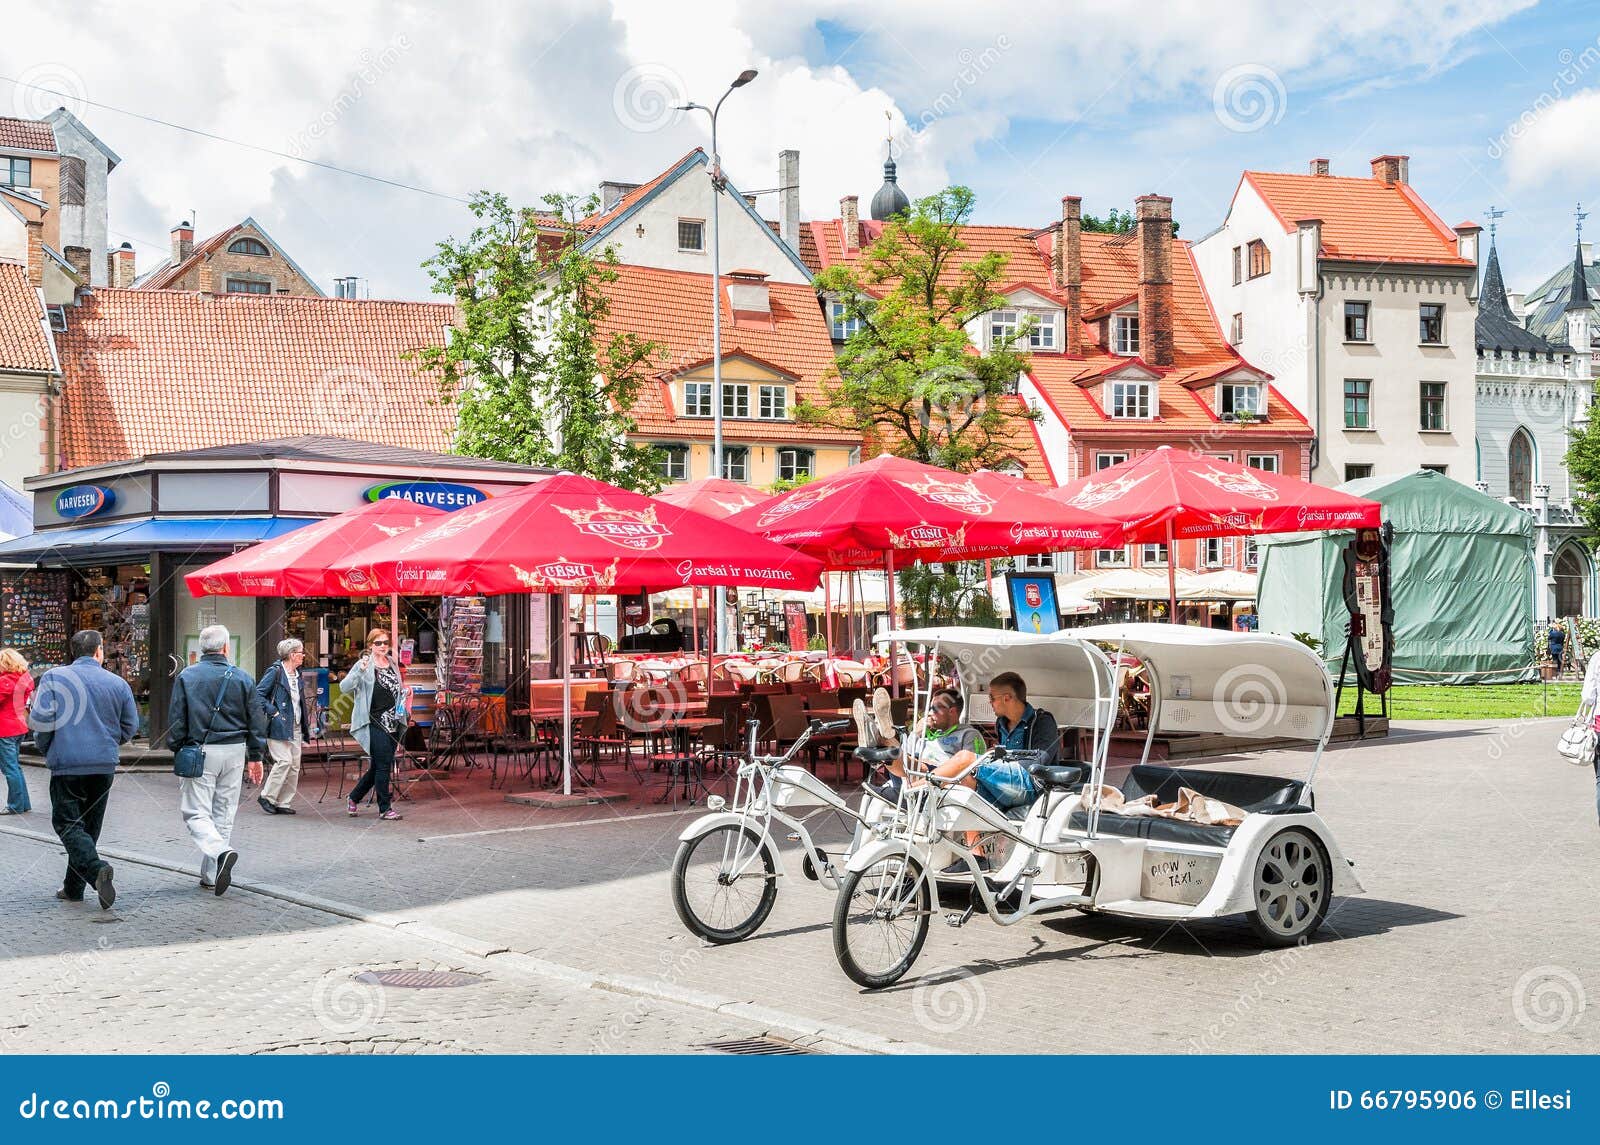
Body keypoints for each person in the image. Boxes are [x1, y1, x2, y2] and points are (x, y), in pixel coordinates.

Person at [30, 630, 138, 909]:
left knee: (67, 824)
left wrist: (48, 749)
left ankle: (95, 870)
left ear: (73, 652)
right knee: (87, 828)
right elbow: (130, 727)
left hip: (67, 763)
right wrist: (110, 742)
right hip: (103, 765)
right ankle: (73, 888)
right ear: (99, 651)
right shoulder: (118, 683)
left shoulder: (55, 678)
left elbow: (41, 722)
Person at [169, 624, 264, 896]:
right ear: (226, 648)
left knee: (196, 812)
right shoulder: (243, 678)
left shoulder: (187, 676)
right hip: (235, 749)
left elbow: (177, 719)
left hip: (200, 749)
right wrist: (255, 755)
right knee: (224, 812)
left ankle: (221, 852)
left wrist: (176, 748)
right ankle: (211, 874)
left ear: (201, 649)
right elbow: (255, 719)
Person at [341, 629, 407, 821]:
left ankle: (353, 797)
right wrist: (360, 671)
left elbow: (396, 688)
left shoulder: (392, 663)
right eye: (378, 643)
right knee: (384, 764)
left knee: (379, 765)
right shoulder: (364, 664)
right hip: (373, 721)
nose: (383, 646)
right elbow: (345, 687)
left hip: (394, 720)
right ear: (370, 645)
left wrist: (405, 693)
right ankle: (384, 808)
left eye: (386, 642)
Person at [255, 638, 312, 815]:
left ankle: (283, 802)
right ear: (292, 654)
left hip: (295, 724)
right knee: (284, 761)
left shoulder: (297, 673)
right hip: (278, 725)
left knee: (294, 765)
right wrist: (274, 712)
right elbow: (258, 695)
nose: (303, 655)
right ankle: (267, 796)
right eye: (301, 652)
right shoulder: (275, 672)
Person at [0, 647, 35, 814]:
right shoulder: (24, 678)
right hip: (19, 726)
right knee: (15, 766)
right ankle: (24, 803)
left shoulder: (5, 681)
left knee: (9, 768)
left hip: (5, 729)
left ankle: (14, 805)